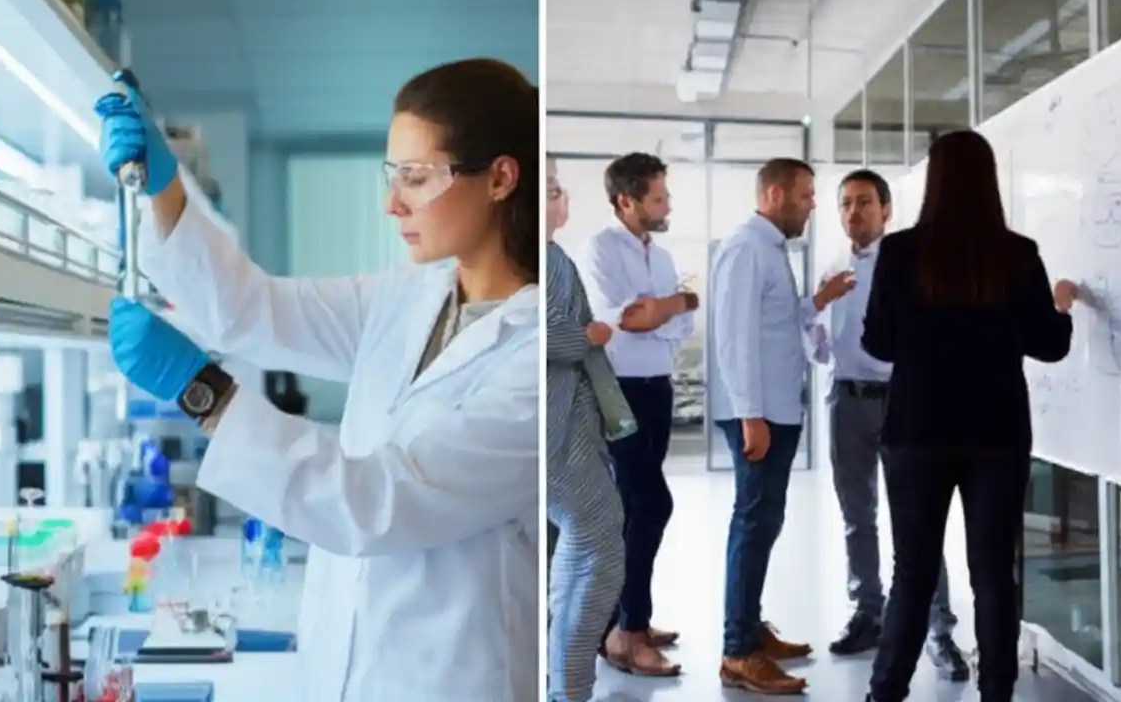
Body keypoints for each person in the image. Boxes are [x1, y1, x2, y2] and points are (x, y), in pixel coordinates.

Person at [94, 58, 539, 702]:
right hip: (340, 673)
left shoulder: (530, 357)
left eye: (416, 178)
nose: (392, 204)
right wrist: (164, 184)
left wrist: (203, 391)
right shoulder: (405, 299)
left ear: (499, 177)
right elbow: (252, 309)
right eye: (393, 177)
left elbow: (379, 502)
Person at [861, 130, 1078, 702]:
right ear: (990, 181)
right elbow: (1049, 344)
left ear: (934, 181)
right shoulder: (1017, 253)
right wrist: (1060, 306)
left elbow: (879, 343)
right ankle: (997, 696)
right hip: (997, 434)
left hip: (916, 432)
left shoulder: (901, 252)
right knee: (992, 576)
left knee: (911, 572)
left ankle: (884, 694)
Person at [812, 169, 968, 680]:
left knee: (919, 522)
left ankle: (939, 630)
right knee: (858, 517)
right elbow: (823, 344)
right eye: (846, 204)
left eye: (864, 203)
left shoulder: (910, 265)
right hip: (847, 402)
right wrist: (819, 318)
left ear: (886, 210)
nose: (854, 212)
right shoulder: (833, 267)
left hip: (904, 402)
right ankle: (869, 615)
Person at [708, 158, 854, 693]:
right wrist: (751, 414)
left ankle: (749, 629)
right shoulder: (747, 248)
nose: (814, 205)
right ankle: (737, 652)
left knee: (764, 523)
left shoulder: (770, 249)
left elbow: (774, 319)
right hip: (760, 411)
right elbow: (734, 336)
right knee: (752, 523)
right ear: (775, 194)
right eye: (807, 195)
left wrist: (818, 300)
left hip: (774, 408)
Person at [582, 152, 697, 676]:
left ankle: (625, 622)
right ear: (626, 201)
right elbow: (628, 319)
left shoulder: (663, 256)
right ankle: (627, 634)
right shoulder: (600, 249)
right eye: (659, 197)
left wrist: (665, 310)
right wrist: (674, 304)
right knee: (650, 504)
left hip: (658, 389)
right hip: (617, 393)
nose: (667, 204)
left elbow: (675, 328)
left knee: (636, 511)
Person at [544, 157, 629, 702]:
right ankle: (570, 691)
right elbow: (537, 335)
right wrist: (589, 334)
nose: (562, 199)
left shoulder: (552, 256)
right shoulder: (543, 259)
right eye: (552, 189)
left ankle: (566, 687)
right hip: (559, 433)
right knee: (598, 555)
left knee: (579, 559)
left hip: (569, 426)